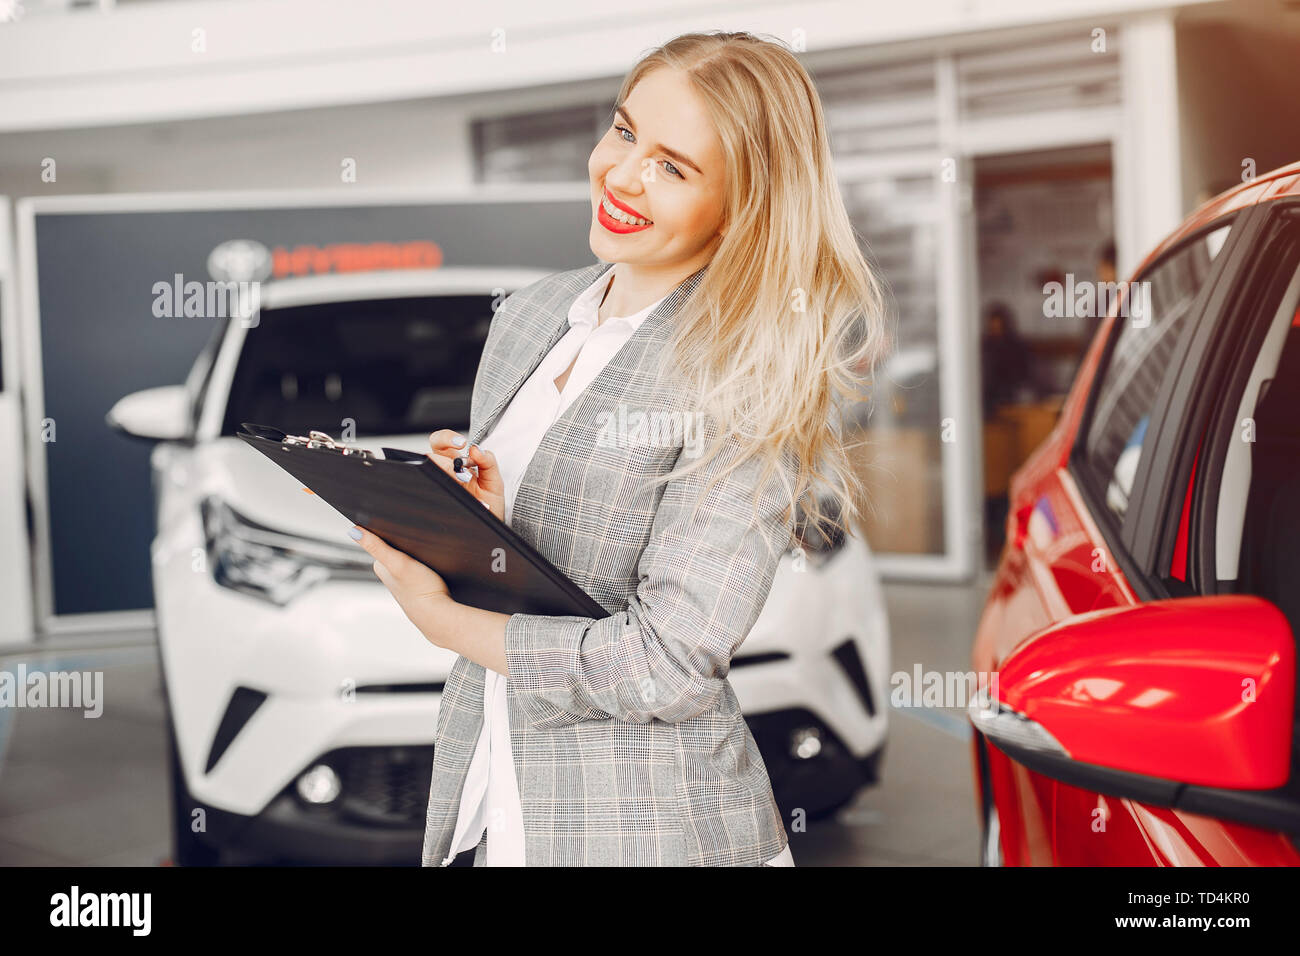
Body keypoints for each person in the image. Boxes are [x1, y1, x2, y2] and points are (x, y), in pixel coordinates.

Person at [350, 30, 890, 866]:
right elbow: (547, 572)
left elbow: (667, 663)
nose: (622, 174)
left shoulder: (744, 373)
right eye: (626, 131)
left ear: (742, 205)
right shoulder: (531, 315)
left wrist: (442, 619)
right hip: (500, 795)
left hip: (649, 828)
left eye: (673, 167)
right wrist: (482, 524)